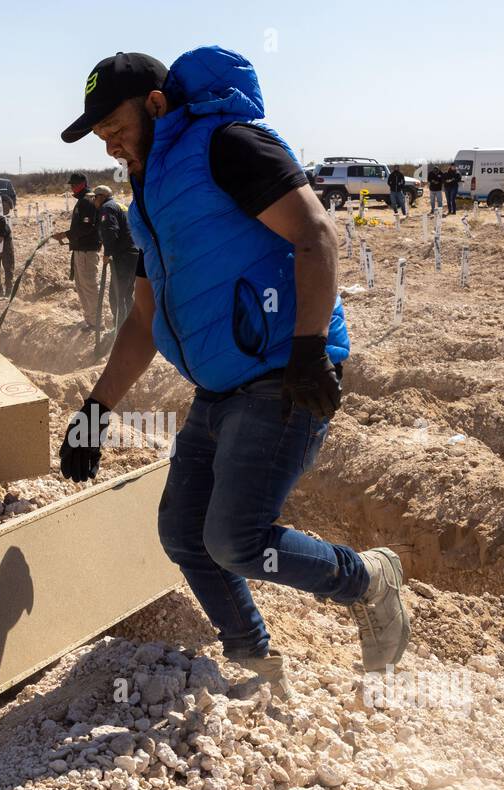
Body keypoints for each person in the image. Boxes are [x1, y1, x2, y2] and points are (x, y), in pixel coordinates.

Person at [57, 48, 411, 697]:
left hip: (284, 374)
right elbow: (143, 319)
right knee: (183, 533)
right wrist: (95, 410)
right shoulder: (150, 199)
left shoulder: (227, 144)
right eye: (101, 137)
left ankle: (368, 580)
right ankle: (255, 662)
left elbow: (316, 234)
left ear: (156, 105)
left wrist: (309, 349)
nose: (111, 147)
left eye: (117, 129)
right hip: (219, 389)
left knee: (235, 539)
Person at [52, 172, 102, 329]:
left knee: (89, 286)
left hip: (87, 251)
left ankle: (97, 323)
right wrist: (67, 236)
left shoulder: (87, 201)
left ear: (83, 184)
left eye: (75, 184)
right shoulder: (82, 200)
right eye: (71, 185)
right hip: (80, 249)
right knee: (81, 286)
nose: (72, 188)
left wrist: (65, 234)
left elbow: (87, 227)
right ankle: (91, 320)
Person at [92, 184, 139, 327]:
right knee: (127, 294)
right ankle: (131, 328)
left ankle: (120, 329)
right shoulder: (120, 206)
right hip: (134, 253)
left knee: (116, 296)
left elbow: (111, 232)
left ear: (102, 197)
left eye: (95, 197)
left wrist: (107, 253)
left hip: (123, 256)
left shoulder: (107, 208)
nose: (93, 201)